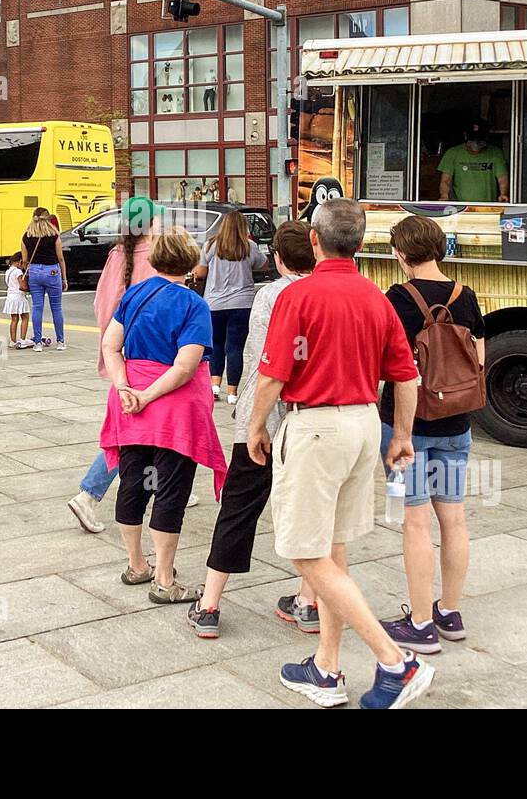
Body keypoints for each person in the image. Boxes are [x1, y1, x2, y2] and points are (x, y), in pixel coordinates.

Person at [248, 197, 433, 710]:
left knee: (304, 551)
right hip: (362, 423)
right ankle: (326, 668)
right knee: (332, 549)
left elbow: (274, 373)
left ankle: (396, 662)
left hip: (316, 427)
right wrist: (401, 436)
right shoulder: (378, 298)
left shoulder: (298, 296)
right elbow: (406, 376)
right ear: (361, 243)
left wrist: (255, 426)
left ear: (314, 239)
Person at [189, 220, 319, 639]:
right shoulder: (328, 295)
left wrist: (257, 420)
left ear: (278, 259)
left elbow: (267, 363)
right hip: (313, 420)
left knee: (239, 506)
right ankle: (308, 601)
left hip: (264, 418)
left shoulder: (270, 296)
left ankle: (209, 605)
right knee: (311, 510)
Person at [375, 214, 485, 654]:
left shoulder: (397, 298)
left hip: (409, 428)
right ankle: (449, 611)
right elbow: (479, 356)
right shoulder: (467, 296)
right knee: (453, 515)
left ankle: (419, 624)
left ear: (401, 254)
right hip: (457, 423)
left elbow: (386, 365)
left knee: (415, 519)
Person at [99, 226, 226, 605]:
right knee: (170, 490)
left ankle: (137, 564)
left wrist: (125, 389)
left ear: (155, 260)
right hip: (173, 411)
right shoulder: (194, 305)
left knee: (133, 481)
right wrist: (148, 395)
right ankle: (165, 578)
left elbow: (110, 345)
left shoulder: (135, 294)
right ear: (189, 263)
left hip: (129, 406)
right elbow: (186, 366)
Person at [69, 196, 163, 534]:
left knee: (149, 428)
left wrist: (112, 345)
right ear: (151, 223)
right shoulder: (156, 256)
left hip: (122, 352)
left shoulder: (117, 254)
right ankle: (88, 494)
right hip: (151, 358)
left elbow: (101, 303)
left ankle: (162, 483)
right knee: (132, 431)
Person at [193, 210, 268, 404]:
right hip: (242, 304)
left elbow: (200, 272)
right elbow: (263, 265)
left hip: (214, 304)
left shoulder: (210, 245)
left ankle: (215, 386)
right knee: (235, 347)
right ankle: (233, 393)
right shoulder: (249, 246)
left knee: (216, 345)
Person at [21, 207, 67, 352]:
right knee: (56, 307)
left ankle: (38, 343)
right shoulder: (54, 234)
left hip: (34, 271)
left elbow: (24, 260)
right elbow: (60, 258)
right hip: (52, 270)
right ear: (48, 219)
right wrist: (64, 278)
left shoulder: (26, 236)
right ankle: (60, 341)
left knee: (37, 308)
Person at [438, 118, 509, 203]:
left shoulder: (496, 153)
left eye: (479, 140)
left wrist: (503, 194)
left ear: (486, 137)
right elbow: (446, 180)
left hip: (488, 206)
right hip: (460, 207)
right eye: (473, 139)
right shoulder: (453, 153)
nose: (476, 143)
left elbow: (502, 178)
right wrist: (444, 196)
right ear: (465, 136)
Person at [3, 251, 31, 349]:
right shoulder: (18, 272)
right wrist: (28, 287)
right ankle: (22, 339)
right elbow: (22, 286)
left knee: (14, 319)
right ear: (19, 261)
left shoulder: (8, 271)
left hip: (10, 296)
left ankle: (13, 340)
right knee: (25, 317)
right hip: (18, 296)